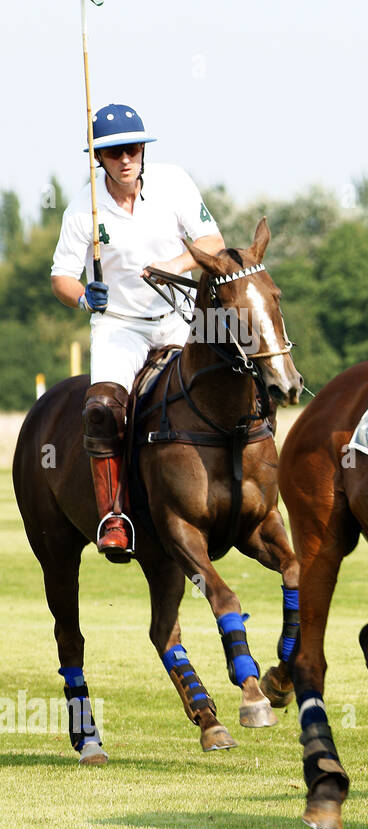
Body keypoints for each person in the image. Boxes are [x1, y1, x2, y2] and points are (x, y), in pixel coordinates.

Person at [50, 103, 225, 559]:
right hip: (119, 327)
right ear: (99, 159)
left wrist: (174, 264)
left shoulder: (174, 183)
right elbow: (60, 277)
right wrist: (85, 297)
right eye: (113, 153)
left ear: (143, 150)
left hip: (179, 317)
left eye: (132, 149)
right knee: (102, 410)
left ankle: (242, 490)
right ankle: (114, 515)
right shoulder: (84, 206)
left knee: (235, 372)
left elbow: (212, 243)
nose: (125, 159)